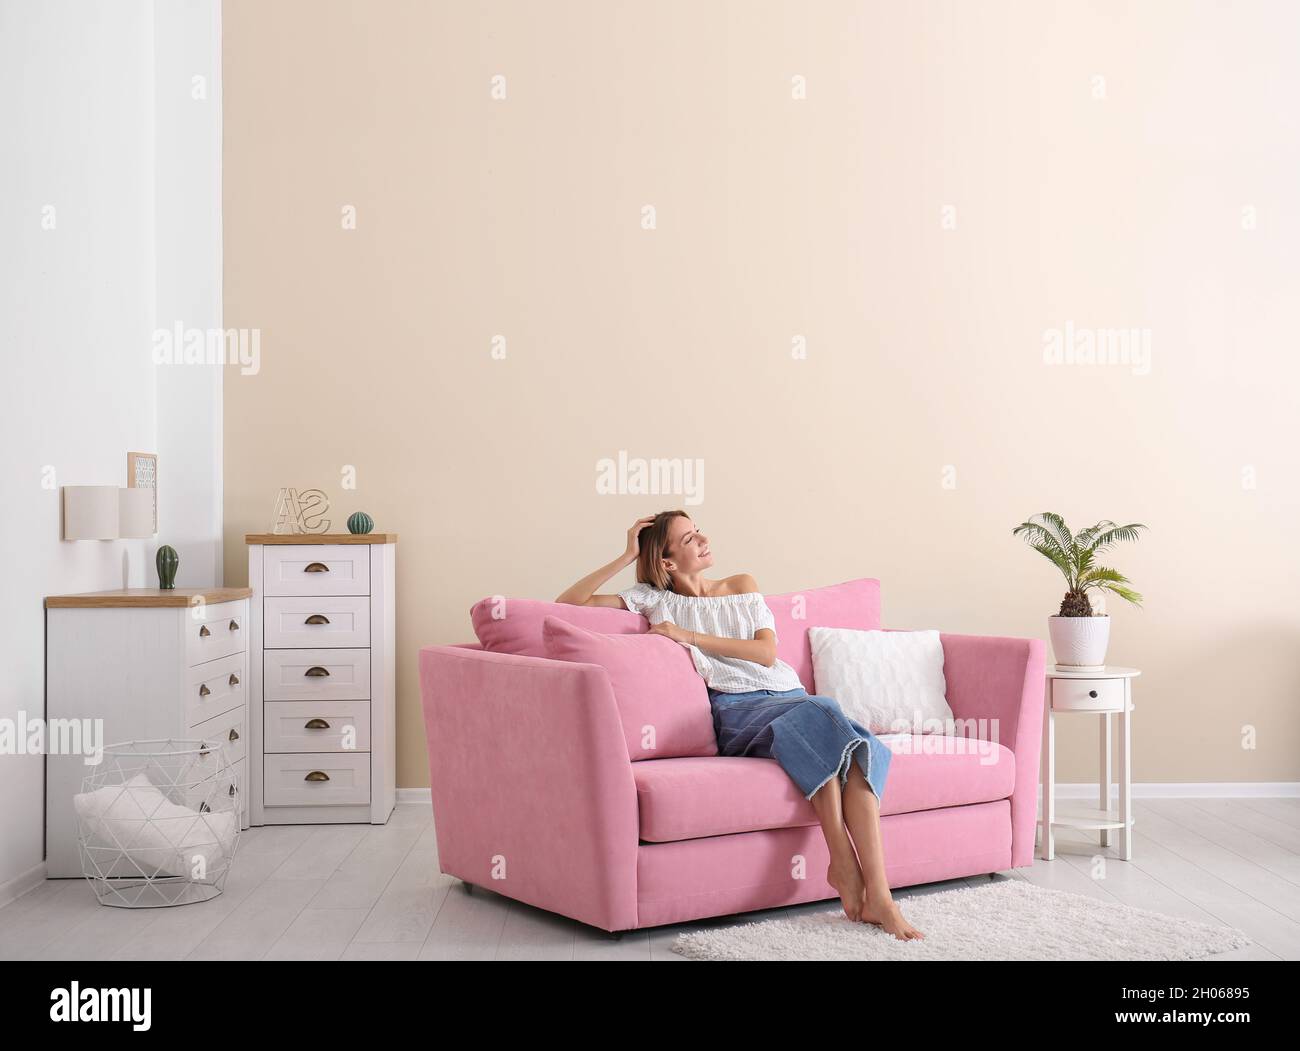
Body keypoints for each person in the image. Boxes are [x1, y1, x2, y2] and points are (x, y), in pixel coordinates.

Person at [556, 510, 923, 940]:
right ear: (669, 562)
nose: (703, 538)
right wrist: (626, 554)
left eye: (698, 531)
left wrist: (687, 636)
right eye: (690, 538)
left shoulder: (741, 585)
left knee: (850, 743)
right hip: (739, 711)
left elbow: (766, 654)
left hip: (792, 700)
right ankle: (847, 866)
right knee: (828, 720)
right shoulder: (652, 599)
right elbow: (569, 603)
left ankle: (875, 890)